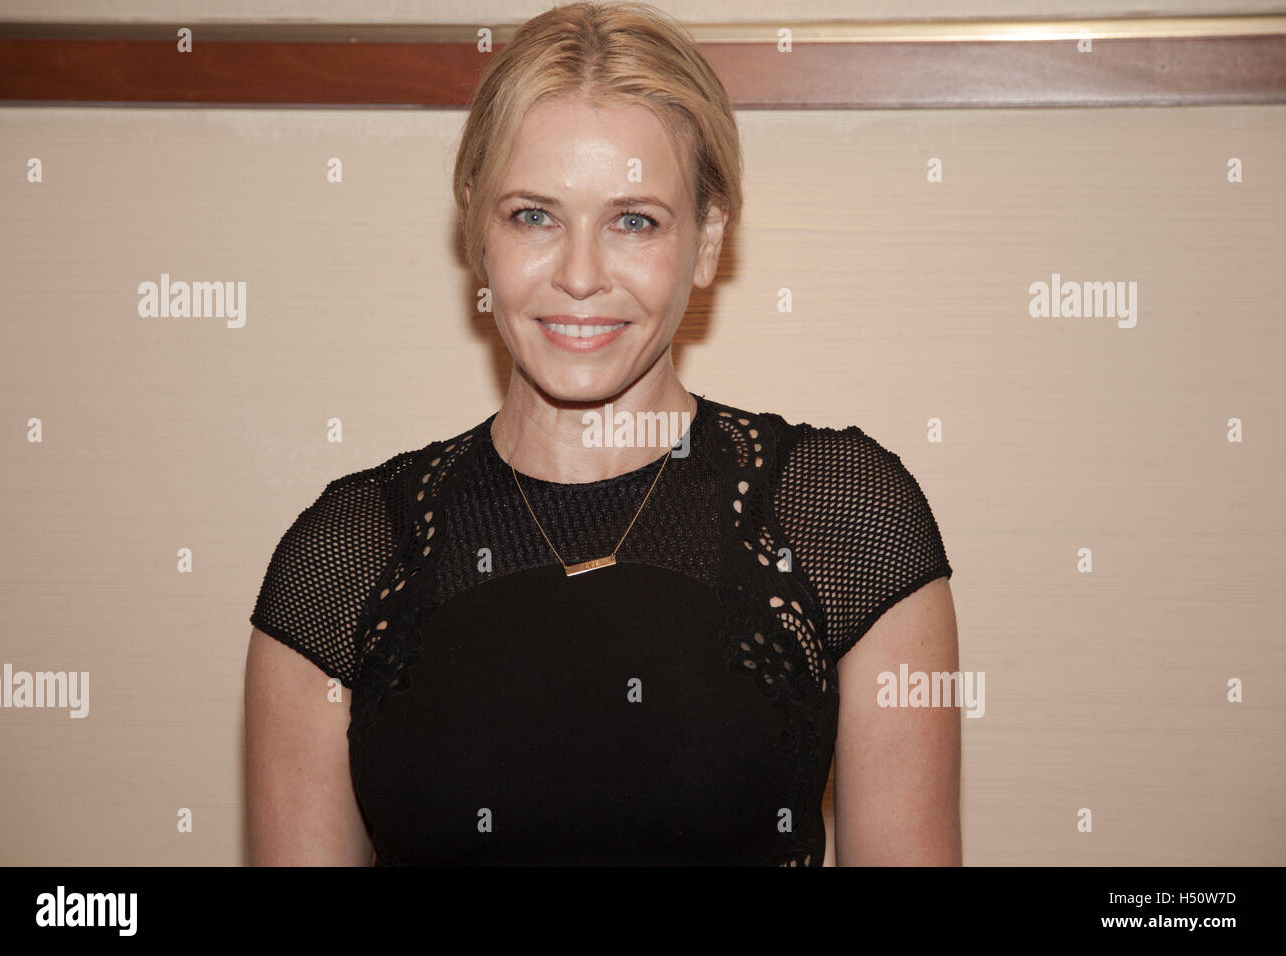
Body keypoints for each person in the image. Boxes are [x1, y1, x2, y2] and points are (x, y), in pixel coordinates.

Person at [244, 0, 959, 866]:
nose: (580, 276)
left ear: (707, 240)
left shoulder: (844, 519)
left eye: (634, 220)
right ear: (476, 225)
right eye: (534, 216)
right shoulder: (344, 559)